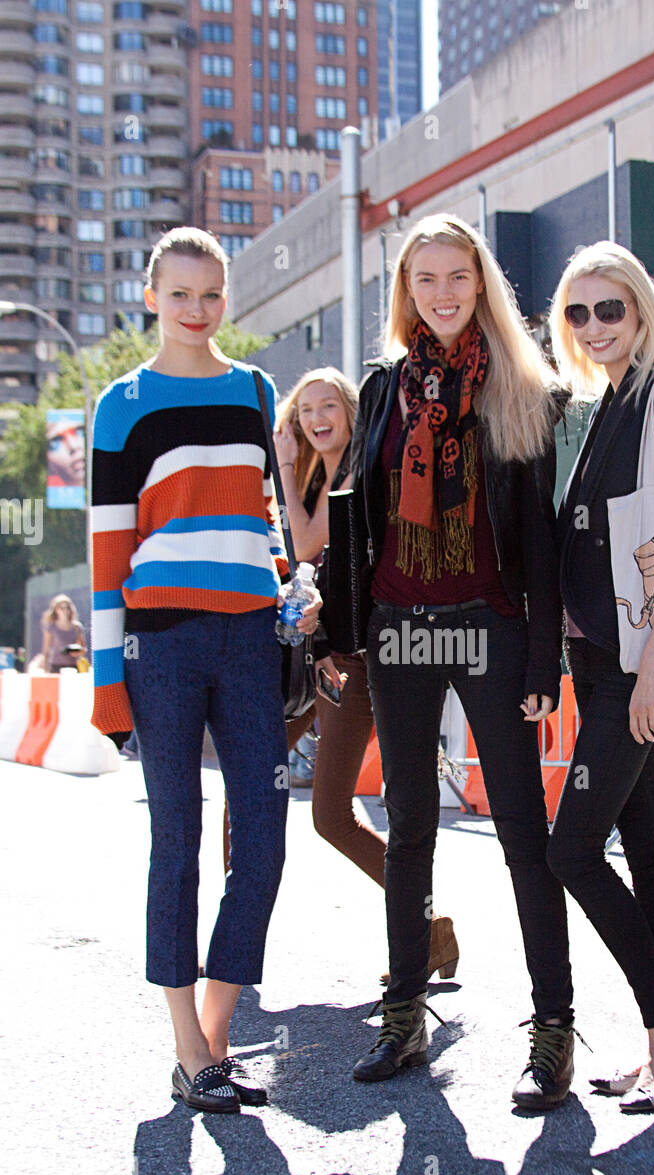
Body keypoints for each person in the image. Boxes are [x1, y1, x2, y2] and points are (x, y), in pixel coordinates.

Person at [341, 212, 577, 1107]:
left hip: (490, 624)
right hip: (401, 630)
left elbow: (540, 540)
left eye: (458, 279)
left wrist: (542, 661)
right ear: (406, 293)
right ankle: (403, 1016)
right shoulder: (382, 391)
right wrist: (352, 632)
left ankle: (551, 1028)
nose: (442, 295)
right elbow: (361, 524)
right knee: (409, 830)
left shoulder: (519, 388)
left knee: (524, 833)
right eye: (425, 281)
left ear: (482, 287)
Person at [89, 226, 321, 1116]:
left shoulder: (257, 392)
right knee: (176, 841)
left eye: (211, 294)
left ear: (228, 299)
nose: (196, 310)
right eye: (180, 293)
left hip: (252, 639)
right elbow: (109, 552)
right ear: (153, 297)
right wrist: (109, 685)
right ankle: (190, 1045)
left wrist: (290, 586)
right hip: (163, 643)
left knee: (264, 838)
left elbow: (266, 521)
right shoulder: (122, 404)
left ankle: (214, 1036)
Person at [547, 240, 654, 1114]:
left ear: (642, 309)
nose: (593, 326)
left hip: (634, 670)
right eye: (577, 313)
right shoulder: (609, 401)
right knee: (648, 850)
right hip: (606, 663)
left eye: (609, 308)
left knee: (571, 849)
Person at [221, 367, 460, 982]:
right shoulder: (317, 476)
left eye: (328, 406)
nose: (316, 417)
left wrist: (281, 460)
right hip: (320, 658)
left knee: (330, 816)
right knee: (249, 778)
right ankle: (233, 940)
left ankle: (426, 926)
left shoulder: (353, 474)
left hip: (359, 661)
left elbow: (303, 544)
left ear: (352, 415)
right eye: (305, 411)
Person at [41, 595, 87, 673]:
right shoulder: (51, 628)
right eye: (61, 608)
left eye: (67, 608)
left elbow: (83, 648)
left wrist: (76, 652)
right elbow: (46, 651)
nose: (65, 611)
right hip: (56, 666)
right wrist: (45, 669)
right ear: (56, 610)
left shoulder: (77, 627)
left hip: (73, 666)